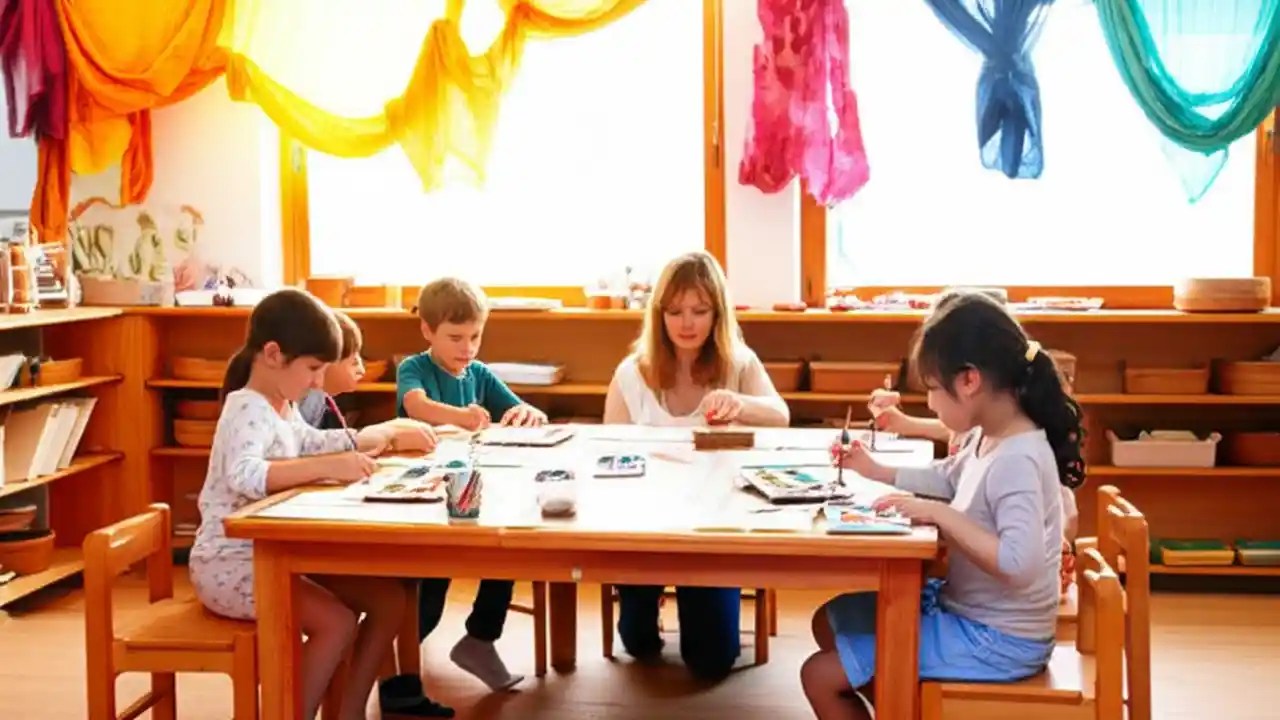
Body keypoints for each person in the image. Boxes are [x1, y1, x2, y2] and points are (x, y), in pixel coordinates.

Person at [802, 292, 1085, 719]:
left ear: (969, 380)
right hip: (968, 612)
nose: (930, 403)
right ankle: (908, 708)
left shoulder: (1019, 458)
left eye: (933, 389)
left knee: (818, 675)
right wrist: (874, 469)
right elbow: (950, 477)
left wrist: (939, 514)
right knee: (831, 618)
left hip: (998, 641)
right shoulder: (990, 432)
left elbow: (1019, 563)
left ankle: (903, 701)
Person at [189, 288, 436, 720]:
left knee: (388, 601)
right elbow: (245, 475)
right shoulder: (246, 409)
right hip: (231, 564)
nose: (319, 382)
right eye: (314, 368)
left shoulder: (279, 405)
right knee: (336, 623)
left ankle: (347, 710)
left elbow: (308, 442)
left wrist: (375, 439)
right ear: (272, 354)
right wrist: (330, 465)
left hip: (276, 554)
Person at [603, 250, 790, 680]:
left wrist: (740, 403)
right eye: (675, 311)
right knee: (638, 646)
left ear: (718, 314)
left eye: (700, 311)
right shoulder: (632, 372)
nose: (687, 323)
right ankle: (649, 603)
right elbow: (608, 450)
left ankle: (692, 599)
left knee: (709, 661)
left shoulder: (738, 362)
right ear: (659, 314)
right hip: (644, 526)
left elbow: (780, 414)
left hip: (715, 529)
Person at [295, 310, 457, 718]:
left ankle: (389, 692)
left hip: (319, 523)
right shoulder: (292, 403)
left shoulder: (315, 402)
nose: (362, 368)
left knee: (397, 586)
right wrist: (382, 436)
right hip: (293, 542)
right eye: (353, 359)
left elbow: (332, 450)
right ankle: (383, 692)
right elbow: (309, 457)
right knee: (390, 585)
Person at [390, 277, 546, 694]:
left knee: (508, 550)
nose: (468, 347)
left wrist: (526, 414)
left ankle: (480, 639)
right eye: (456, 337)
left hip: (473, 489)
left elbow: (519, 407)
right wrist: (460, 417)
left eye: (475, 336)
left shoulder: (479, 373)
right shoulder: (414, 368)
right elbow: (415, 405)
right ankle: (388, 664)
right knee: (430, 593)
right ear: (427, 331)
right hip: (423, 495)